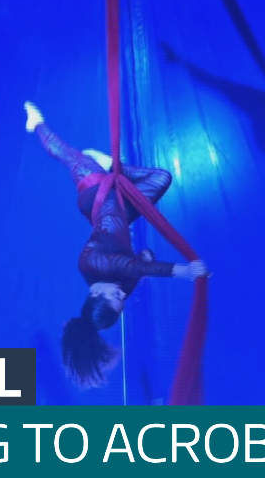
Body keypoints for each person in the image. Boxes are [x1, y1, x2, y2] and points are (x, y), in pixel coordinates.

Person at [24, 101, 208, 389]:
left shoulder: (90, 264)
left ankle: (36, 123)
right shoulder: (121, 289)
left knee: (68, 154)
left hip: (95, 193)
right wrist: (147, 256)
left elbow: (132, 265)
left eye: (115, 296)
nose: (121, 293)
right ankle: (111, 165)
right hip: (121, 210)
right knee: (161, 178)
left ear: (96, 291)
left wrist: (181, 272)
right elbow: (141, 264)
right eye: (122, 302)